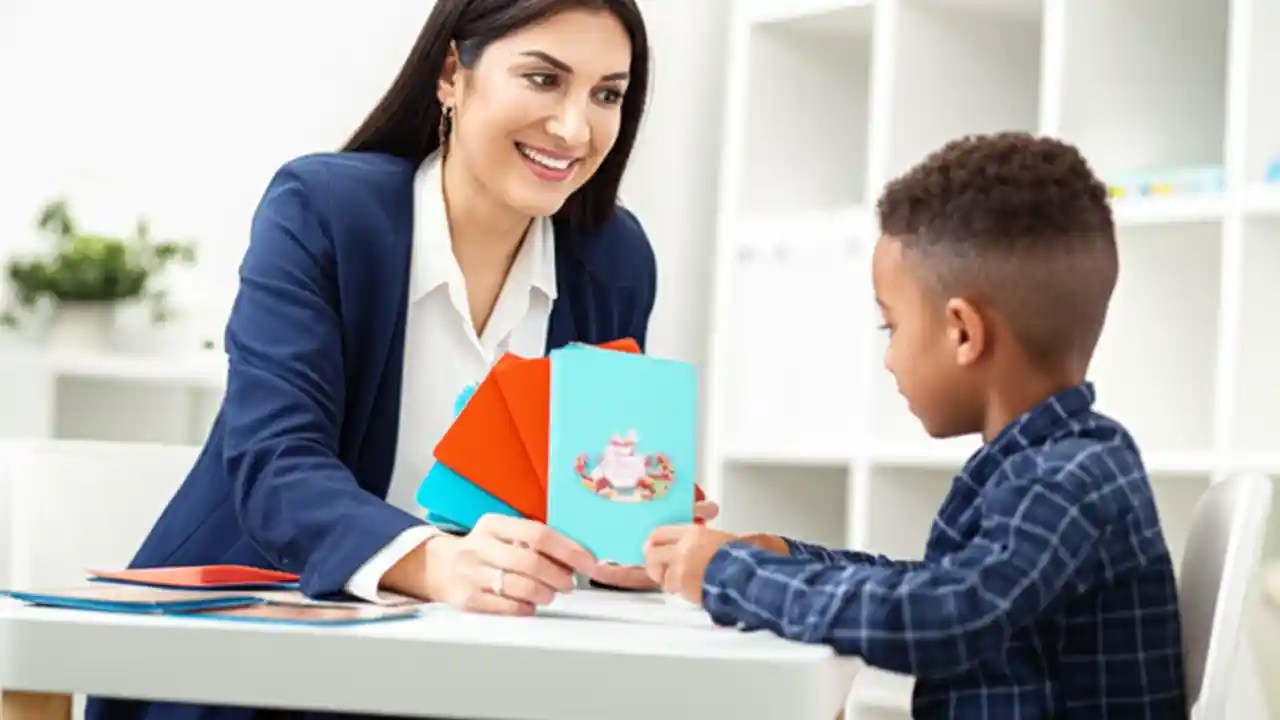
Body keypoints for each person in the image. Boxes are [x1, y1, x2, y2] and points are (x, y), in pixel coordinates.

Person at [87, 2, 716, 719]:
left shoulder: (613, 257)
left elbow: (572, 486)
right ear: (453, 74)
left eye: (607, 93)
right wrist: (437, 563)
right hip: (253, 652)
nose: (576, 128)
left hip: (468, 666)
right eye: (543, 79)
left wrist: (616, 544)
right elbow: (275, 465)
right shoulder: (322, 210)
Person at [643, 133, 1188, 718]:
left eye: (891, 327)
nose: (890, 357)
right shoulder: (1055, 461)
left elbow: (941, 615)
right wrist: (787, 558)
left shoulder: (1064, 478)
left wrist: (730, 575)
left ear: (962, 333)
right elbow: (938, 587)